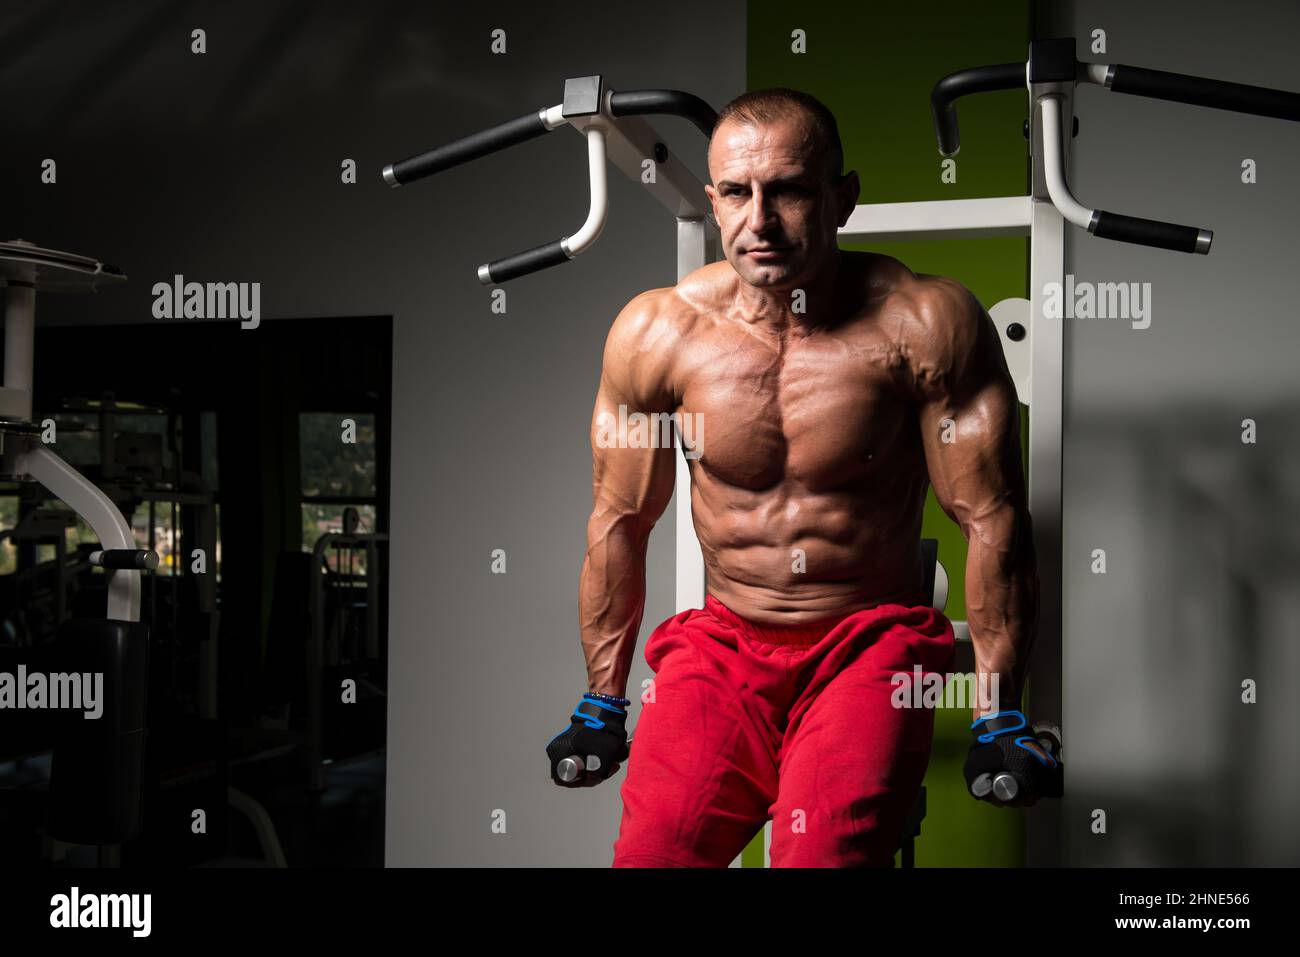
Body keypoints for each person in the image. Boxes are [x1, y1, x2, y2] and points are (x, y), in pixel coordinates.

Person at [547, 87, 1055, 867]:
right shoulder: (656, 335)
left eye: (787, 190)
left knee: (822, 856)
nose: (760, 220)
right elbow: (621, 519)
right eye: (737, 193)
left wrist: (998, 712)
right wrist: (602, 697)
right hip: (724, 646)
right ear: (713, 201)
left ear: (842, 198)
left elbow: (991, 518)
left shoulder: (927, 324)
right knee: (653, 854)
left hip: (867, 643)